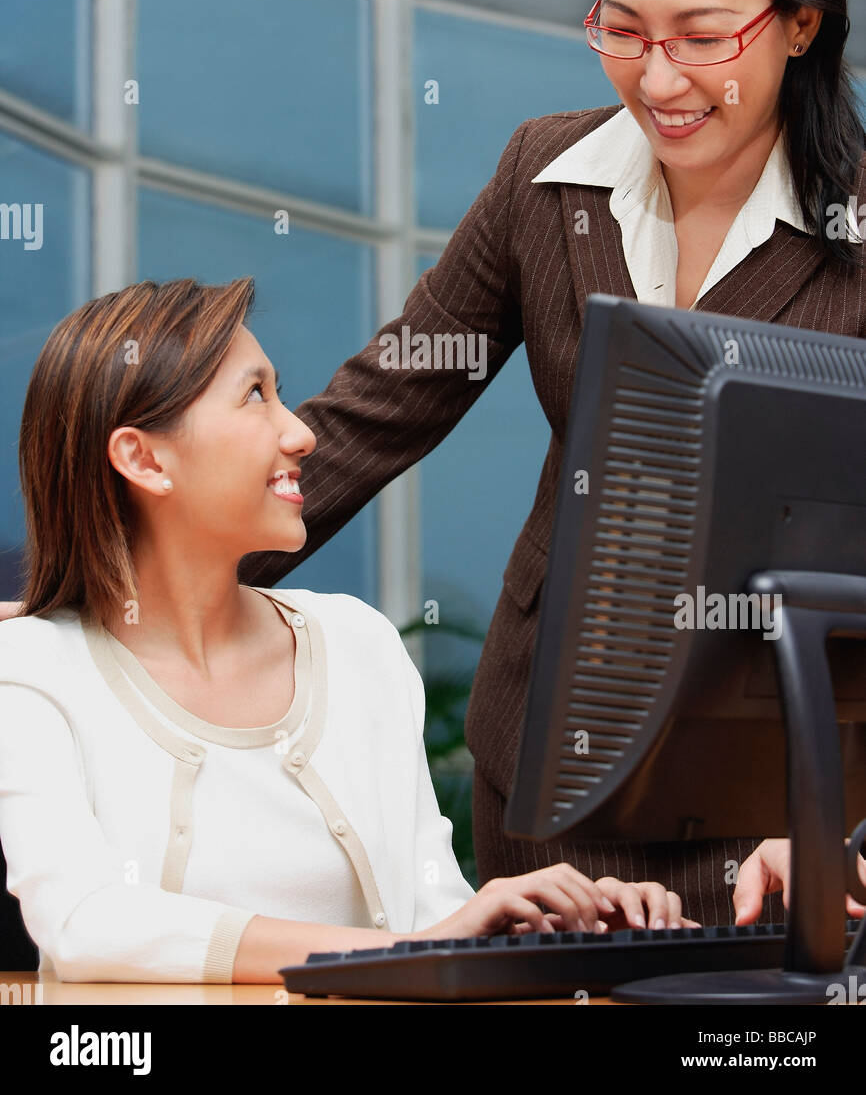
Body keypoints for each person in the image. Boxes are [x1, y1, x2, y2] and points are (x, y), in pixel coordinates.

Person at [3, 0, 865, 931]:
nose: (657, 78)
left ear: (797, 22)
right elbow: (375, 412)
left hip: (781, 784)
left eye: (702, 37)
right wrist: (87, 577)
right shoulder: (543, 180)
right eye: (620, 27)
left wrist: (837, 815)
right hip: (560, 760)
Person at [0, 277, 692, 984]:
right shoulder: (31, 669)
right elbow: (87, 923)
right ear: (143, 459)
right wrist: (414, 952)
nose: (300, 432)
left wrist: (555, 928)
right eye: (255, 396)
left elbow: (431, 916)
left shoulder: (357, 643)